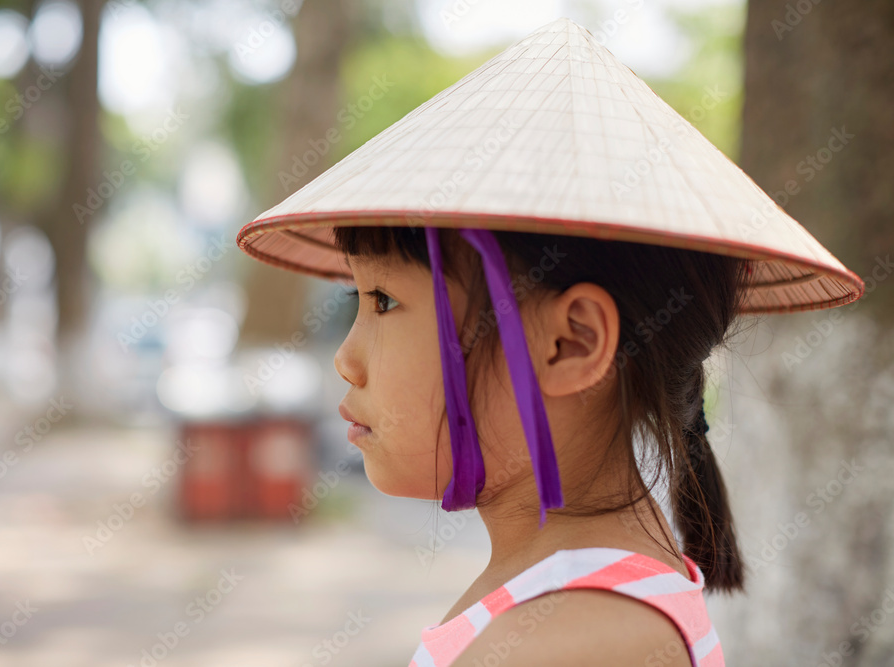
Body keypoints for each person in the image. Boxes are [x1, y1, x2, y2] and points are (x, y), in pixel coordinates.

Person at [235, 16, 863, 667]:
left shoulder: (568, 644)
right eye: (356, 300)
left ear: (571, 342)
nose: (346, 357)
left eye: (385, 300)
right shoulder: (584, 605)